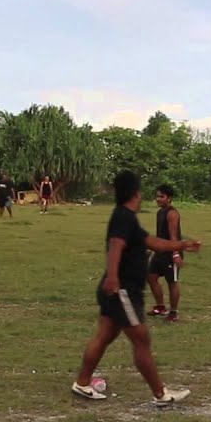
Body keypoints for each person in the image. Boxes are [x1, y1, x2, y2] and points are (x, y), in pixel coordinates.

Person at [70, 171, 198, 406]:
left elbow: (153, 242)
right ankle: (161, 395)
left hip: (120, 290)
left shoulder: (128, 218)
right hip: (123, 291)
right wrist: (112, 277)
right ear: (135, 193)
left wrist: (182, 244)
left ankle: (82, 382)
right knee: (141, 341)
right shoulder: (124, 217)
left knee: (104, 336)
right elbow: (115, 245)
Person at [146, 184, 185, 322]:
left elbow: (173, 235)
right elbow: (161, 234)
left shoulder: (172, 213)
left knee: (172, 282)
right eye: (157, 196)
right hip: (160, 252)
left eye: (161, 196)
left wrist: (175, 254)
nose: (158, 199)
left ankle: (174, 312)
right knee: (151, 277)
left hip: (171, 252)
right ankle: (160, 307)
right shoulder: (160, 212)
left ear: (169, 198)